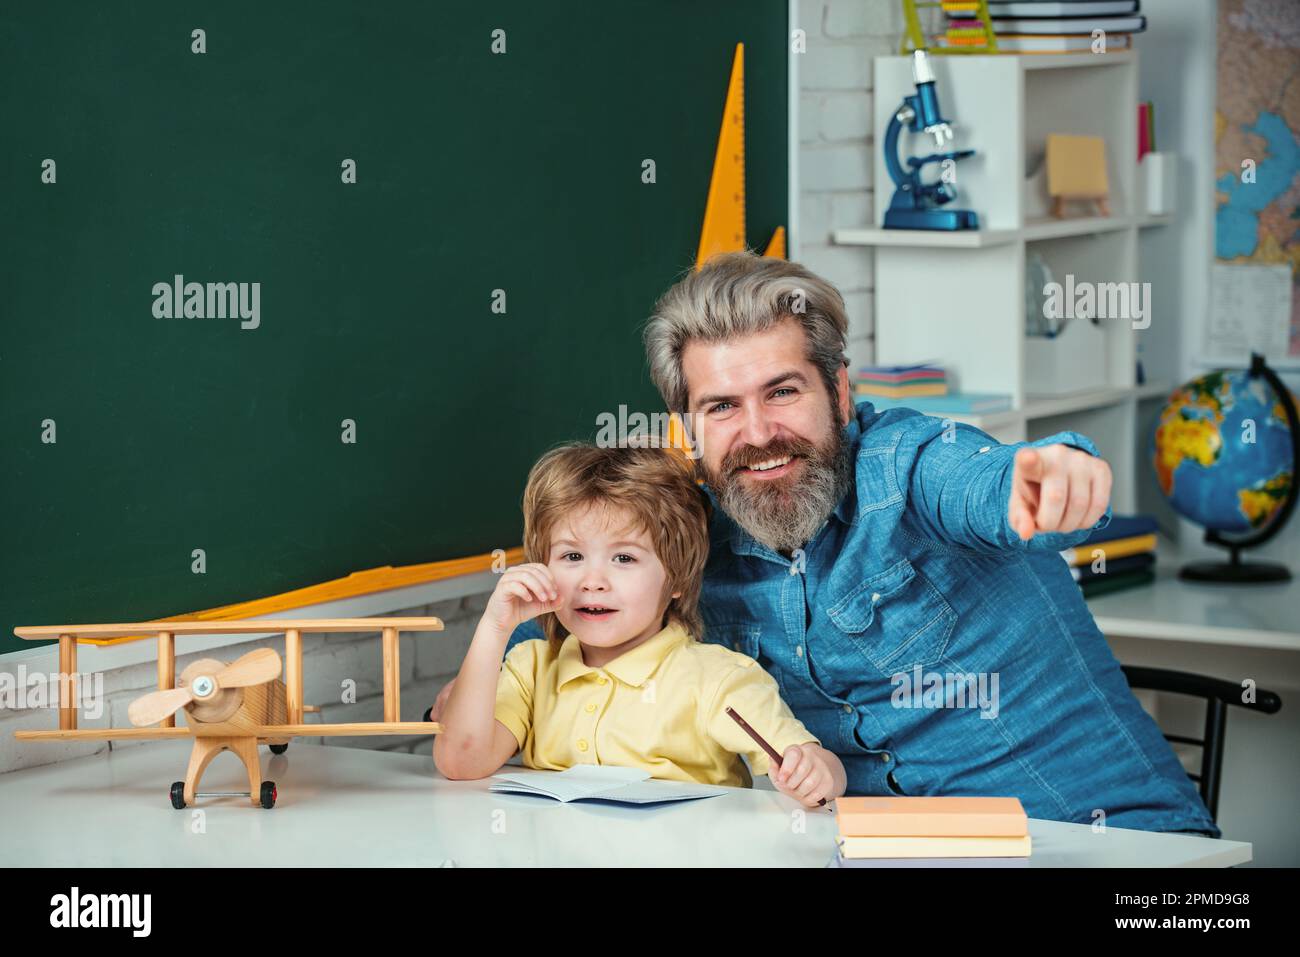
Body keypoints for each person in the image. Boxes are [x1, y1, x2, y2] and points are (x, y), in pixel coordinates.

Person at [432, 440, 848, 808]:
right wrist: (493, 629)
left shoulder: (716, 678)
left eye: (624, 558)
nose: (593, 581)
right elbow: (461, 763)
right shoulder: (529, 667)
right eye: (572, 557)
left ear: (677, 581)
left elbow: (817, 767)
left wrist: (818, 772)